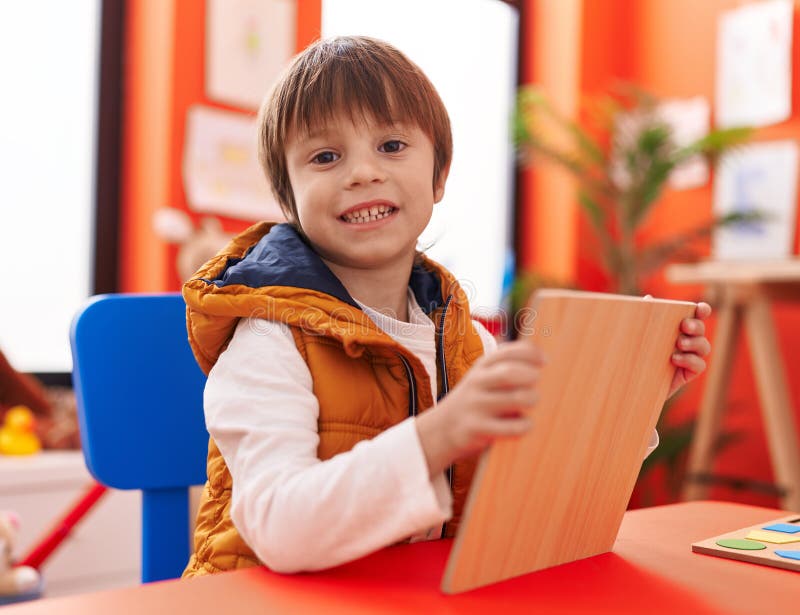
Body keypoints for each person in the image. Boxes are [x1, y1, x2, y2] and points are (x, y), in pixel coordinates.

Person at [181, 36, 712, 577]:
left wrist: (635, 393)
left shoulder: (467, 343)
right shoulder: (269, 341)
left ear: (439, 176)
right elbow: (279, 529)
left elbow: (535, 499)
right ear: (288, 199)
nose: (363, 172)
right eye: (325, 156)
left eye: (391, 146)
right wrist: (441, 435)